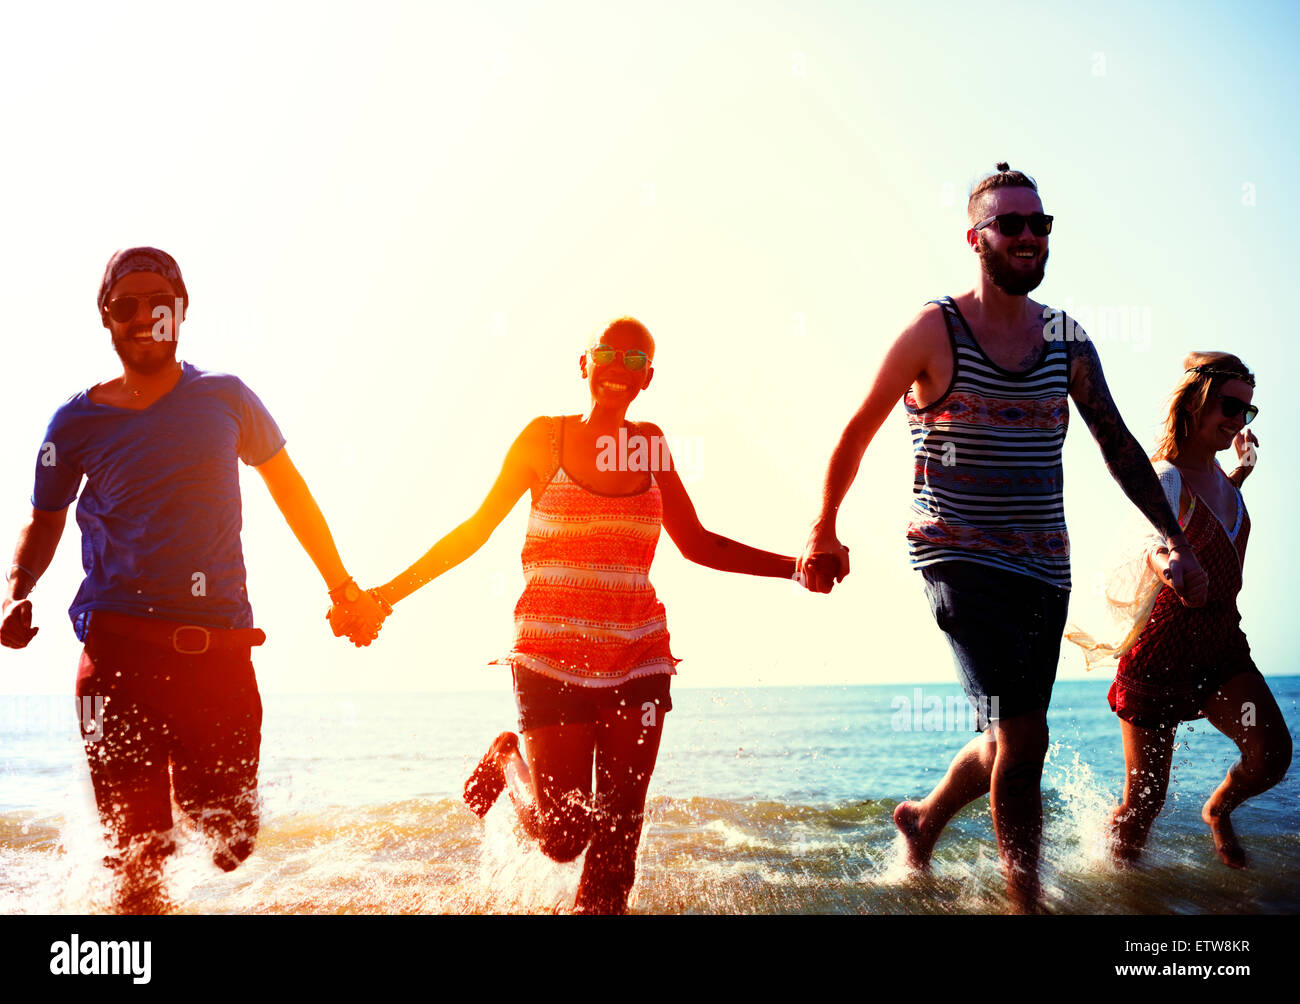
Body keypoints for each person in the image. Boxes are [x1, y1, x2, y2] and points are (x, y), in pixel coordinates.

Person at [797, 164, 1207, 912]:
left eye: (1039, 224)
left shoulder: (1065, 339)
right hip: (955, 555)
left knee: (1005, 738)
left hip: (1043, 566)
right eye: (1011, 224)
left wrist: (1173, 538)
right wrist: (824, 529)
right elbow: (857, 429)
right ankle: (1027, 904)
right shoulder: (934, 330)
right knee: (1025, 742)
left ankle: (922, 821)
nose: (1028, 236)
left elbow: (1116, 444)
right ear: (975, 238)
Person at [352, 317, 799, 914]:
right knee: (563, 839)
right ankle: (506, 755)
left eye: (635, 361)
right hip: (548, 658)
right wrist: (384, 595)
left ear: (648, 379)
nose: (619, 368)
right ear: (584, 363)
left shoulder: (650, 446)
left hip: (638, 657)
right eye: (608, 355)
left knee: (615, 860)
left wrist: (795, 566)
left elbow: (698, 544)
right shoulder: (544, 440)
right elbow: (473, 532)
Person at [0, 247, 387, 913]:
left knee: (231, 838)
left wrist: (341, 588)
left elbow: (292, 495)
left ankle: (174, 800)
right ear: (106, 318)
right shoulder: (75, 424)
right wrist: (18, 589)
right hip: (118, 655)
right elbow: (44, 519)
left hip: (220, 655)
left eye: (159, 304)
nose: (144, 317)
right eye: (127, 306)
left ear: (180, 312)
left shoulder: (226, 399)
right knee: (140, 860)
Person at [1104, 353, 1290, 868]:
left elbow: (1216, 509)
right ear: (1196, 402)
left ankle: (1219, 809)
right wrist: (1171, 569)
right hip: (1160, 655)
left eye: (1247, 412)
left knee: (1271, 755)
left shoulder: (1226, 483)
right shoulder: (1163, 477)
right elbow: (1153, 541)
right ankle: (1117, 891)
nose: (1238, 419)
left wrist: (1241, 472)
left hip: (1220, 649)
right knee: (1145, 805)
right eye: (1230, 405)